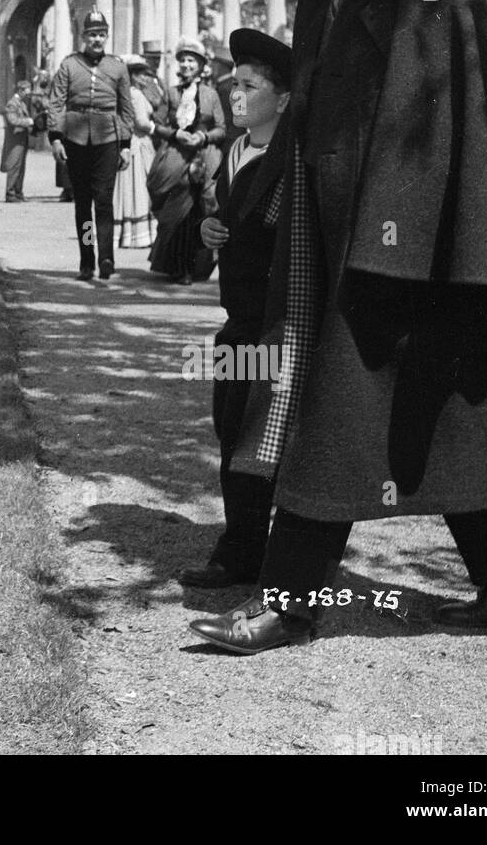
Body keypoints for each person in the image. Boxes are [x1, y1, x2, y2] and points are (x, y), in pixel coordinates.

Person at [190, 0, 487, 655]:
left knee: (335, 415)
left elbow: (444, 138)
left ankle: (290, 601)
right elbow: (309, 125)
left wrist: (386, 255)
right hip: (333, 244)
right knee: (427, 409)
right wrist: (259, 214)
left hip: (403, 254)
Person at [179, 29, 291, 588]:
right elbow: (224, 214)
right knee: (229, 423)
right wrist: (209, 227)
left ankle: (245, 549)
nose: (236, 93)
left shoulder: (290, 160)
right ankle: (244, 542)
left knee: (257, 433)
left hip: (274, 321)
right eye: (234, 83)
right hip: (239, 317)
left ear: (285, 98)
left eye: (250, 85)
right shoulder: (237, 150)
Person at [47, 9, 135, 281]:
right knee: (82, 202)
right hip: (75, 138)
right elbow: (56, 102)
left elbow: (126, 107)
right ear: (83, 37)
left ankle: (106, 259)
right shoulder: (69, 65)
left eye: (101, 34)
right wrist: (56, 137)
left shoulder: (117, 66)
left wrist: (126, 143)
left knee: (104, 201)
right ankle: (86, 261)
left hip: (108, 138)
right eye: (92, 34)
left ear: (106, 36)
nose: (97, 39)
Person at [146, 35, 227, 283]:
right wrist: (175, 134)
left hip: (204, 159)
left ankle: (196, 267)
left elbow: (222, 128)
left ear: (201, 65)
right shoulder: (171, 94)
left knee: (200, 211)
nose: (187, 65)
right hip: (176, 159)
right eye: (183, 61)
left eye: (192, 61)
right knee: (176, 213)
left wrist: (203, 137)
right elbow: (156, 125)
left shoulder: (211, 95)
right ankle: (177, 266)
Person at [114, 55, 158, 249]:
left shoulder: (125, 93)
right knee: (139, 186)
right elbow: (141, 122)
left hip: (128, 143)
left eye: (145, 74)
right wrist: (156, 128)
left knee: (128, 187)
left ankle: (125, 232)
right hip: (138, 144)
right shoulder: (136, 95)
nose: (144, 78)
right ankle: (138, 234)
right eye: (139, 74)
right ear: (131, 76)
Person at [0, 79, 36, 201]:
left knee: (21, 167)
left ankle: (18, 192)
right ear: (20, 90)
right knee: (14, 166)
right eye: (27, 91)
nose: (28, 93)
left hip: (21, 140)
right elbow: (13, 120)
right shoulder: (12, 104)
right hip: (15, 141)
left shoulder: (22, 103)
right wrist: (28, 122)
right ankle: (10, 194)